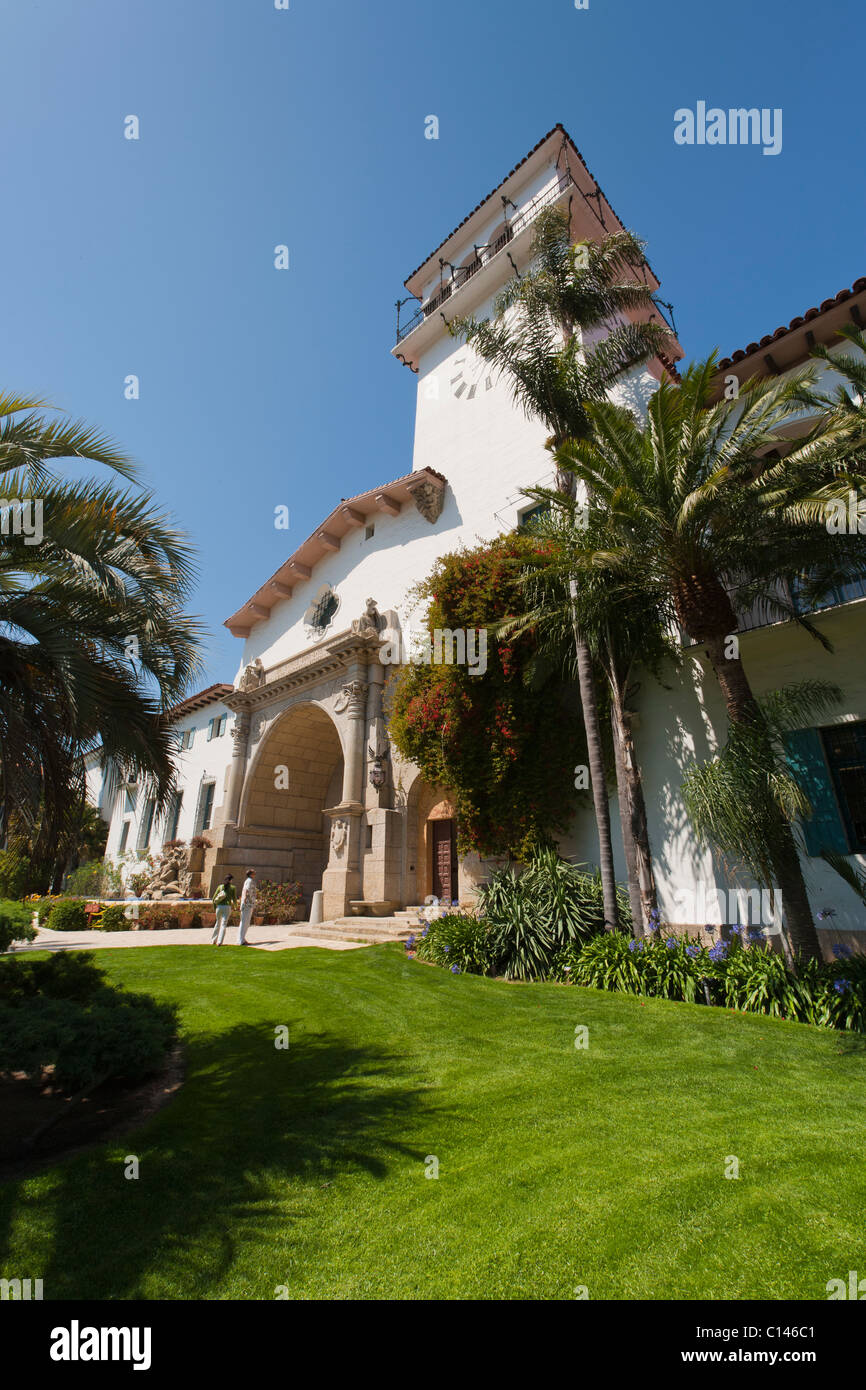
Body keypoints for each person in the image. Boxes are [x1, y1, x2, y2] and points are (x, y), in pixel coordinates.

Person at [211, 874, 237, 946]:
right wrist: (235, 907)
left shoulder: (220, 887)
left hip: (219, 907)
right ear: (230, 880)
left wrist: (215, 907)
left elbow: (214, 898)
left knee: (217, 923)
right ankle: (220, 941)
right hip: (227, 907)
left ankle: (213, 940)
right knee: (223, 924)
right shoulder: (232, 888)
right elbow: (234, 899)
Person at [238, 870, 257, 946]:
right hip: (247, 904)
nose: (255, 874)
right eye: (254, 873)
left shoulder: (249, 881)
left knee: (245, 922)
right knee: (245, 922)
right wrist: (245, 899)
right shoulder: (249, 881)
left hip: (249, 903)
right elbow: (246, 890)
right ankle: (241, 940)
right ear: (251, 874)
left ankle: (242, 938)